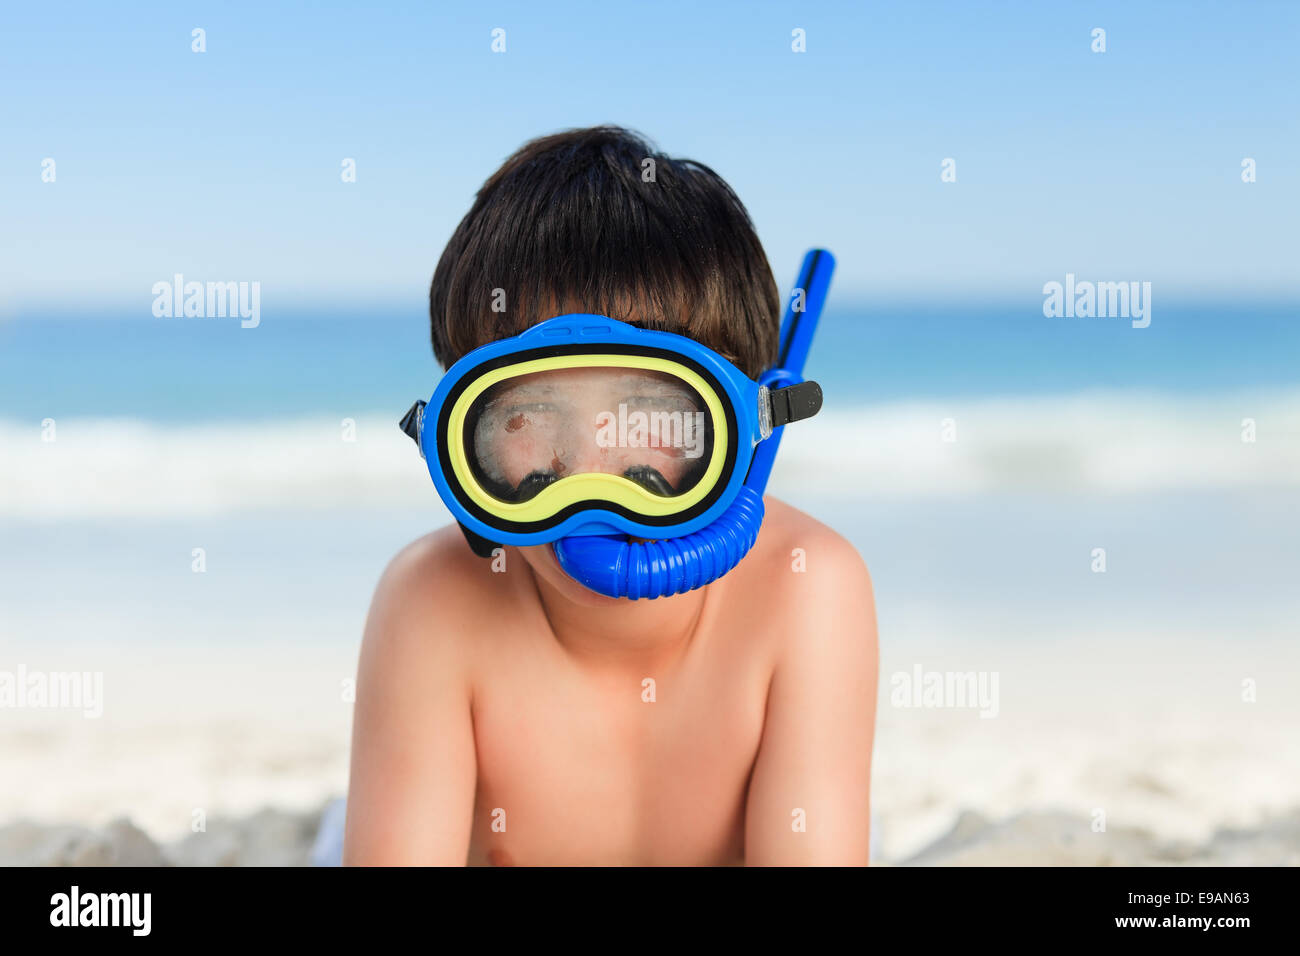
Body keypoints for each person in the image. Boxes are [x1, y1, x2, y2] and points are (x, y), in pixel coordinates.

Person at [343, 125, 877, 865]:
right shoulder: (433, 600)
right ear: (457, 440)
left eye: (648, 414)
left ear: (745, 423)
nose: (592, 481)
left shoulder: (806, 590)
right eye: (527, 418)